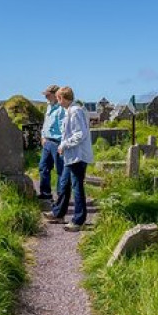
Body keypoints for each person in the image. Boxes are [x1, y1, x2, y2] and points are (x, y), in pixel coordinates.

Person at [45, 85, 94, 232]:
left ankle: (79, 220)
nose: (57, 101)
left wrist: (64, 144)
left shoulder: (75, 111)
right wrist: (64, 146)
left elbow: (80, 134)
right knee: (64, 183)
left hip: (78, 156)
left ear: (62, 98)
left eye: (58, 98)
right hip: (71, 155)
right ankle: (58, 213)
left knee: (77, 187)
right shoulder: (70, 111)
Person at [37, 84, 66, 204]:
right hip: (47, 142)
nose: (46, 98)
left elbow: (64, 128)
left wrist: (62, 144)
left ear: (55, 95)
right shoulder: (49, 107)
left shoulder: (61, 109)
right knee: (43, 167)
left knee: (60, 170)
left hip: (58, 142)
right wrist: (43, 136)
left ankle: (61, 196)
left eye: (48, 95)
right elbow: (46, 123)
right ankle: (45, 194)